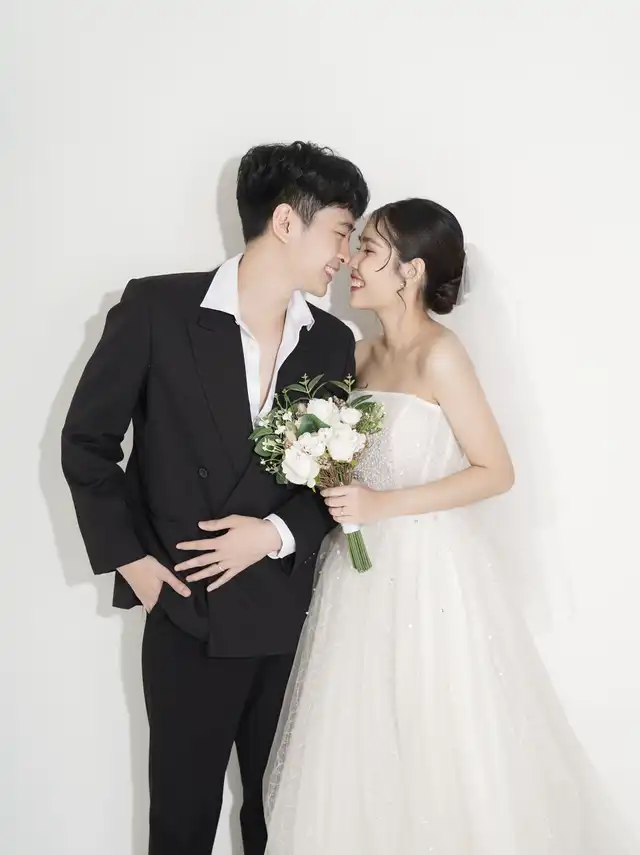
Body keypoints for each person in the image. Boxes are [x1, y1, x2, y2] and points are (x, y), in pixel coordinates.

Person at [265, 198, 637, 854]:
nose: (352, 262)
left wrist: (380, 506)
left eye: (369, 250)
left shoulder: (441, 355)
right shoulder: (358, 354)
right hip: (357, 577)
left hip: (429, 572)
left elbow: (496, 471)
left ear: (410, 271)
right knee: (359, 737)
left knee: (439, 735)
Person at [61, 141, 369, 855]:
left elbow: (332, 480)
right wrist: (134, 564)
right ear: (287, 222)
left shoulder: (331, 342)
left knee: (282, 822)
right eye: (341, 231)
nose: (345, 255)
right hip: (185, 609)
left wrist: (273, 534)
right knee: (182, 822)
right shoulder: (158, 308)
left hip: (291, 616)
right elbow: (87, 443)